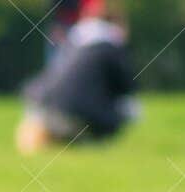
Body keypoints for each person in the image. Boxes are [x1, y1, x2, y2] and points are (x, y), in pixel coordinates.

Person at [16, 0, 137, 155]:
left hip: (41, 110)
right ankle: (87, 142)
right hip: (77, 119)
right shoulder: (111, 46)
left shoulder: (72, 41)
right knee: (131, 110)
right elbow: (127, 89)